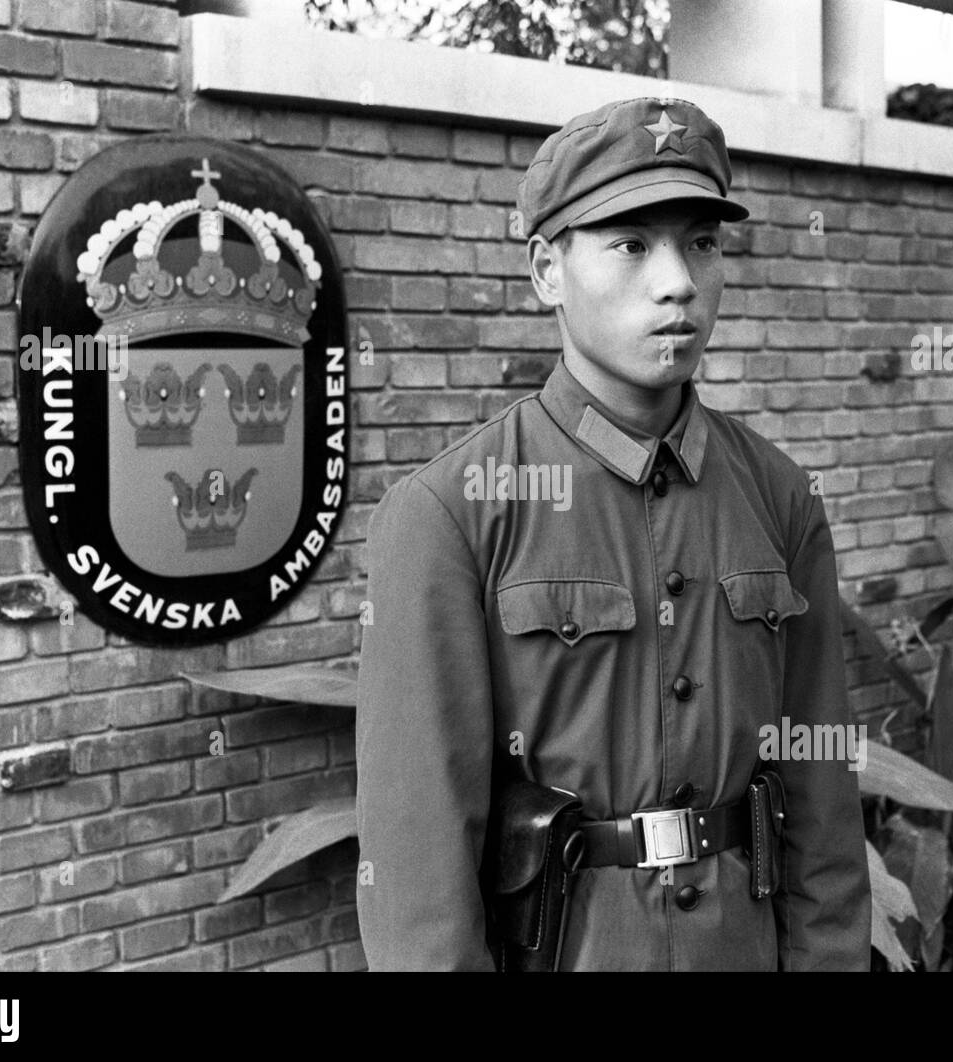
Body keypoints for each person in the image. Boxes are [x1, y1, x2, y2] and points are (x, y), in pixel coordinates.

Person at [354, 95, 871, 971]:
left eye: (701, 242)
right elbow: (417, 865)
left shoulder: (781, 500)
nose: (676, 281)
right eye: (630, 243)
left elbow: (821, 802)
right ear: (547, 271)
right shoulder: (452, 513)